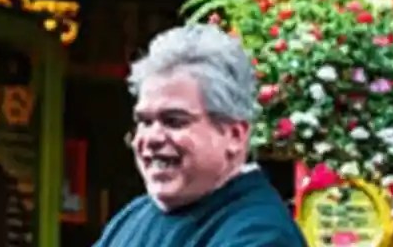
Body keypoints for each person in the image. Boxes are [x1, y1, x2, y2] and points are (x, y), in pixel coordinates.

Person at [95, 24, 306, 246]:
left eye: (174, 121)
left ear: (235, 135)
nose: (152, 138)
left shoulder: (261, 236)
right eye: (145, 121)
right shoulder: (134, 216)